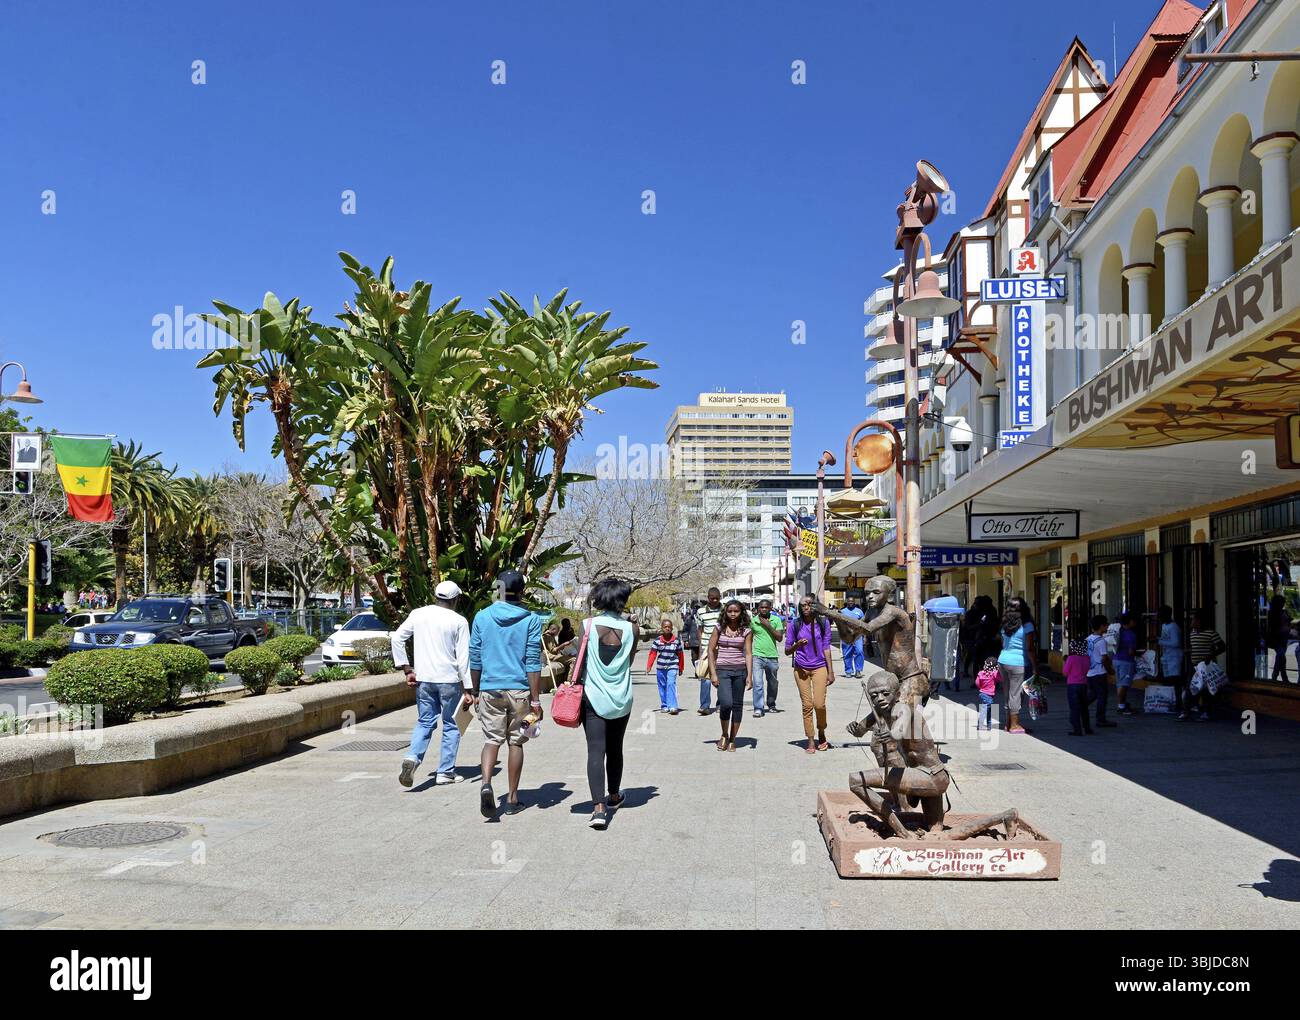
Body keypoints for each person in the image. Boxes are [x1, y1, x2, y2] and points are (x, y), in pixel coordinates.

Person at [469, 568, 544, 819]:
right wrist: (535, 701)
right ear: (522, 592)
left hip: (490, 689)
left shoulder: (482, 617)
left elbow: (475, 657)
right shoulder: (531, 619)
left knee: (491, 740)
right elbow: (533, 662)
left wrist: (475, 690)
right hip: (521, 692)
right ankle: (512, 799)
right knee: (517, 742)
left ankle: (486, 784)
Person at [391, 580, 474, 788]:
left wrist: (407, 668)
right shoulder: (459, 621)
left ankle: (412, 757)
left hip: (424, 679)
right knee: (452, 725)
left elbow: (397, 638)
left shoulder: (418, 614)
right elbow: (464, 658)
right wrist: (469, 689)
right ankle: (445, 772)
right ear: (455, 599)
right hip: (449, 680)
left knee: (425, 721)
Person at [570, 578, 637, 829]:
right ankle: (615, 795)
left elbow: (581, 660)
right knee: (616, 748)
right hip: (622, 697)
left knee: (595, 750)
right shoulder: (632, 629)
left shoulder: (587, 625)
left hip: (593, 696)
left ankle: (598, 809)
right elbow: (628, 662)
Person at [785, 594, 835, 753]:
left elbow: (826, 647)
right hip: (801, 668)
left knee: (819, 704)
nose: (805, 607)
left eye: (809, 604)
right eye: (802, 605)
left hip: (820, 666)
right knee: (807, 705)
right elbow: (787, 650)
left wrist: (831, 671)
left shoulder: (823, 622)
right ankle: (811, 739)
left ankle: (821, 731)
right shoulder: (795, 624)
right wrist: (797, 645)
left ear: (815, 606)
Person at [708, 599, 752, 751]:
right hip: (723, 671)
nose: (733, 614)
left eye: (736, 611)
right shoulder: (719, 628)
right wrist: (713, 673)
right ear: (725, 612)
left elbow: (748, 653)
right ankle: (724, 734)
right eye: (730, 611)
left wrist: (749, 676)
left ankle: (733, 739)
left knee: (737, 705)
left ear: (741, 613)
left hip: (740, 671)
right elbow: (710, 650)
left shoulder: (746, 630)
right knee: (726, 703)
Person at [997, 596, 1038, 734]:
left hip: (1003, 660)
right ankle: (1014, 725)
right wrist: (1035, 667)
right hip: (1019, 662)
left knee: (1007, 693)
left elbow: (1003, 643)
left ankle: (1008, 723)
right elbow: (1030, 648)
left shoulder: (1005, 625)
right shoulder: (1027, 626)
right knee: (1016, 695)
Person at [1188, 610, 1226, 721]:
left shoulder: (1211, 633)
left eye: (1193, 619)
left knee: (1206, 690)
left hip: (1206, 666)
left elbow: (1222, 646)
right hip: (1194, 665)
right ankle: (1190, 709)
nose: (1191, 621)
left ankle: (1206, 712)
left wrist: (1211, 655)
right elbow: (1194, 648)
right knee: (1191, 687)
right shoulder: (1192, 633)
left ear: (1199, 621)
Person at [750, 598, 784, 716]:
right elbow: (748, 639)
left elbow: (779, 638)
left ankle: (771, 703)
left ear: (770, 608)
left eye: (766, 607)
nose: (763, 609)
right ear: (758, 608)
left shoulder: (776, 620)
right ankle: (758, 708)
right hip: (757, 656)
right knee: (758, 683)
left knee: (772, 683)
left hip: (772, 657)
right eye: (761, 607)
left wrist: (768, 625)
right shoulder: (753, 621)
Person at [646, 617, 684, 715]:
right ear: (662, 628)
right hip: (661, 667)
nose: (667, 628)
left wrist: (681, 667)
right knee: (662, 686)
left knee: (671, 684)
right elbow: (653, 653)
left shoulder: (676, 640)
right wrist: (649, 666)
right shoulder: (658, 640)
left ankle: (673, 706)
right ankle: (664, 705)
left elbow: (680, 654)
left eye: (669, 627)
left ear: (672, 628)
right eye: (665, 627)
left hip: (673, 666)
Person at [695, 588, 723, 715]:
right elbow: (700, 630)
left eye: (717, 598)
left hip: (722, 647)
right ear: (708, 597)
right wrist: (701, 649)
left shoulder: (725, 610)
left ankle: (721, 704)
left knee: (721, 676)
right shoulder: (700, 612)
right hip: (707, 648)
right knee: (705, 678)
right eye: (712, 598)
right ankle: (704, 705)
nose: (715, 600)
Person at [1087, 614, 1116, 728]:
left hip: (1090, 672)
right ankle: (1100, 719)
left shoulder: (1088, 639)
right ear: (1101, 626)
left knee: (1093, 694)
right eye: (1106, 625)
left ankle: (1080, 707)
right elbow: (1104, 658)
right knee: (1102, 696)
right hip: (1099, 672)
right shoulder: (1101, 641)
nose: (1108, 627)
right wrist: (1110, 670)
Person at [1157, 605, 1186, 718]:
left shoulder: (1173, 627)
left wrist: (1159, 642)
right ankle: (1172, 702)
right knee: (1169, 680)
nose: (1159, 618)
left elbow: (1176, 643)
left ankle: (1178, 703)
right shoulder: (1164, 625)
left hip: (1175, 658)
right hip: (1167, 657)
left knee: (1176, 681)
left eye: (1160, 615)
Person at [1064, 638, 1093, 736]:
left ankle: (1077, 729)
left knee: (1074, 708)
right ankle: (1087, 728)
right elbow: (1087, 669)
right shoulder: (1087, 658)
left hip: (1072, 685)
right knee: (1084, 707)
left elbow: (1065, 672)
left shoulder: (1071, 658)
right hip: (1083, 684)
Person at [1113, 611, 1140, 716]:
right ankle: (1121, 706)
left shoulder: (1118, 631)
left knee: (1119, 683)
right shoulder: (1131, 635)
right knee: (1124, 684)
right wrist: (1139, 654)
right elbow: (1131, 652)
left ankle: (1123, 703)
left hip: (1116, 659)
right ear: (1131, 621)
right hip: (1126, 661)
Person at [839, 593, 866, 679]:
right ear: (846, 602)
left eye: (852, 601)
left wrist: (865, 636)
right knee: (847, 653)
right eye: (849, 601)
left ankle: (858, 671)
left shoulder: (859, 611)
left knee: (859, 651)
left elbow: (863, 624)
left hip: (858, 635)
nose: (850, 602)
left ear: (854, 602)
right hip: (846, 636)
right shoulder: (842, 612)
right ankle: (848, 671)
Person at [1267, 595, 1290, 683]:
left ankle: (1277, 677)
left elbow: (1288, 622)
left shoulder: (1285, 612)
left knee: (1281, 657)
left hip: (1284, 638)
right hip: (1277, 639)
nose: (1282, 604)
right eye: (1280, 602)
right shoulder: (1272, 613)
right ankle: (1281, 677)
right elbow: (1270, 628)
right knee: (1281, 656)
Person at [974, 656, 999, 731]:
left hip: (982, 693)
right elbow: (1000, 679)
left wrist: (981, 687)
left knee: (988, 709)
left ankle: (989, 724)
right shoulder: (994, 674)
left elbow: (977, 683)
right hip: (989, 694)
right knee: (985, 709)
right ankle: (980, 724)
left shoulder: (980, 673)